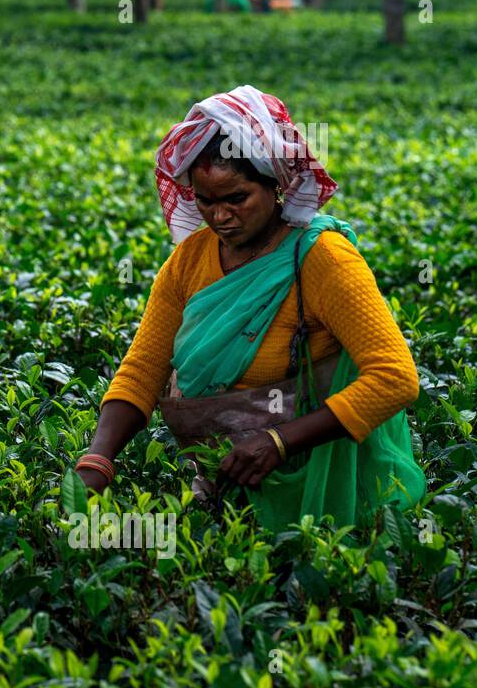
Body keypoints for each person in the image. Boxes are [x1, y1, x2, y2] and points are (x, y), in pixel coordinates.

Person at [75, 85, 424, 531]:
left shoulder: (323, 259)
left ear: (276, 185)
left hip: (328, 481)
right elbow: (143, 368)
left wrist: (279, 441)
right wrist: (98, 459)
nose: (219, 217)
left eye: (236, 198)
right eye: (206, 200)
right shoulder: (189, 260)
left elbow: (395, 378)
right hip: (229, 482)